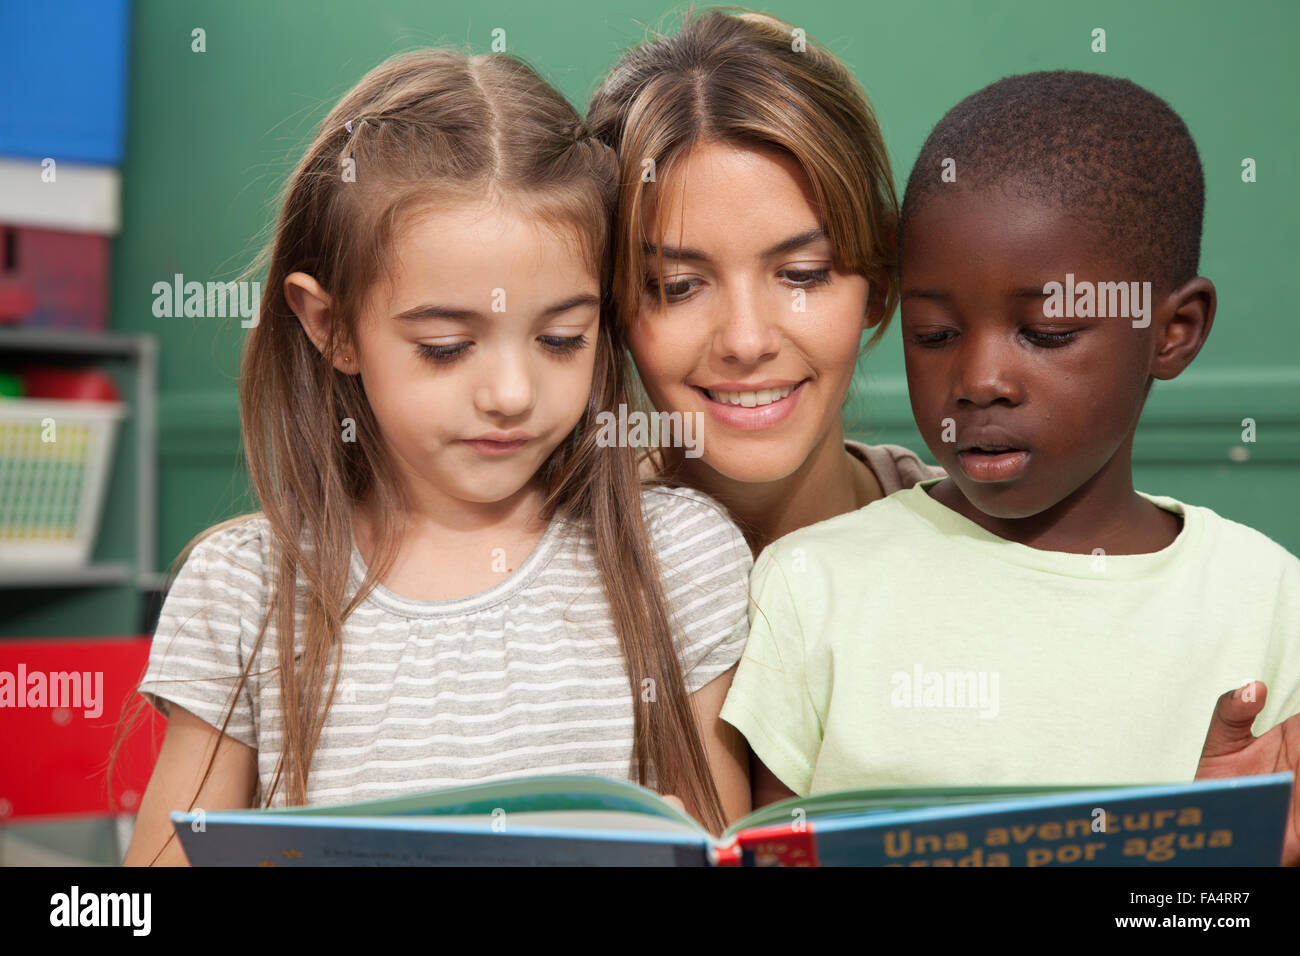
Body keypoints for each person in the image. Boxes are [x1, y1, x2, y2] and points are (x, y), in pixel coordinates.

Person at [123, 48, 752, 865]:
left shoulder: (682, 560)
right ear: (331, 326)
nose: (511, 393)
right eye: (447, 347)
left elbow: (722, 842)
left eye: (562, 339)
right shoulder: (241, 591)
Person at [720, 70, 1300, 863]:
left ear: (1174, 331)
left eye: (1047, 332)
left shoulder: (1269, 604)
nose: (980, 380)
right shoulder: (812, 589)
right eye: (934, 334)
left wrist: (1209, 855)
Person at [585, 8, 943, 559]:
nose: (746, 342)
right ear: (611, 304)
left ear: (877, 276)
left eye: (802, 274)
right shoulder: (539, 580)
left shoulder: (992, 549)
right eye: (676, 285)